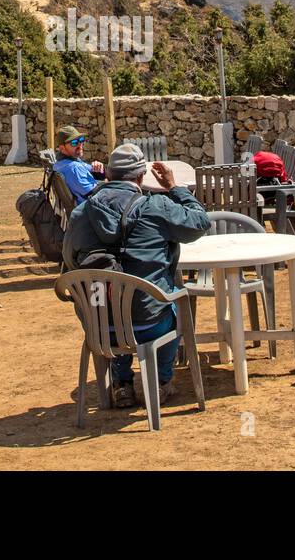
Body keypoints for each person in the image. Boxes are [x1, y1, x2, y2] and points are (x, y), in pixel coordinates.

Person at [63, 143, 210, 407]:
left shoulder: (80, 213)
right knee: (169, 305)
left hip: (99, 326)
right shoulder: (156, 207)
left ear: (108, 174)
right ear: (141, 177)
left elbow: (69, 260)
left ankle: (122, 385)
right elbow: (200, 223)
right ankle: (161, 381)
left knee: (110, 303)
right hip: (149, 322)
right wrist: (174, 187)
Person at [51, 125, 104, 201]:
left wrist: (99, 169)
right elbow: (95, 194)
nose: (80, 145)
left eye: (81, 140)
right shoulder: (74, 167)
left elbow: (93, 170)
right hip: (90, 208)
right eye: (74, 142)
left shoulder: (60, 163)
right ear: (62, 148)